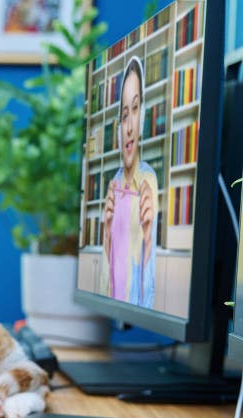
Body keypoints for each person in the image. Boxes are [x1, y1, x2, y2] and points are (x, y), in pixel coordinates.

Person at [102, 55, 158, 308]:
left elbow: (149, 291)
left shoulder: (147, 180)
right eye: (124, 115)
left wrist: (147, 237)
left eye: (135, 109)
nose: (129, 126)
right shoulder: (114, 184)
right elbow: (106, 280)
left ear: (143, 117)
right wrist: (106, 233)